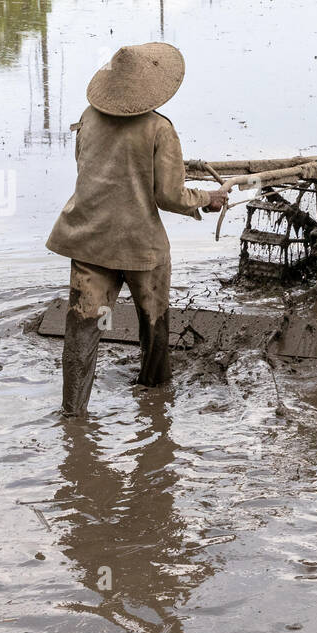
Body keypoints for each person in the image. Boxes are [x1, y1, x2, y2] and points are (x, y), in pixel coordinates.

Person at [46, 42, 228, 417]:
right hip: (141, 247)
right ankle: (155, 399)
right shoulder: (160, 129)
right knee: (154, 322)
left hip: (88, 240)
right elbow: (170, 195)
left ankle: (72, 414)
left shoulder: (88, 117)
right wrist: (207, 198)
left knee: (83, 326)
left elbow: (86, 165)